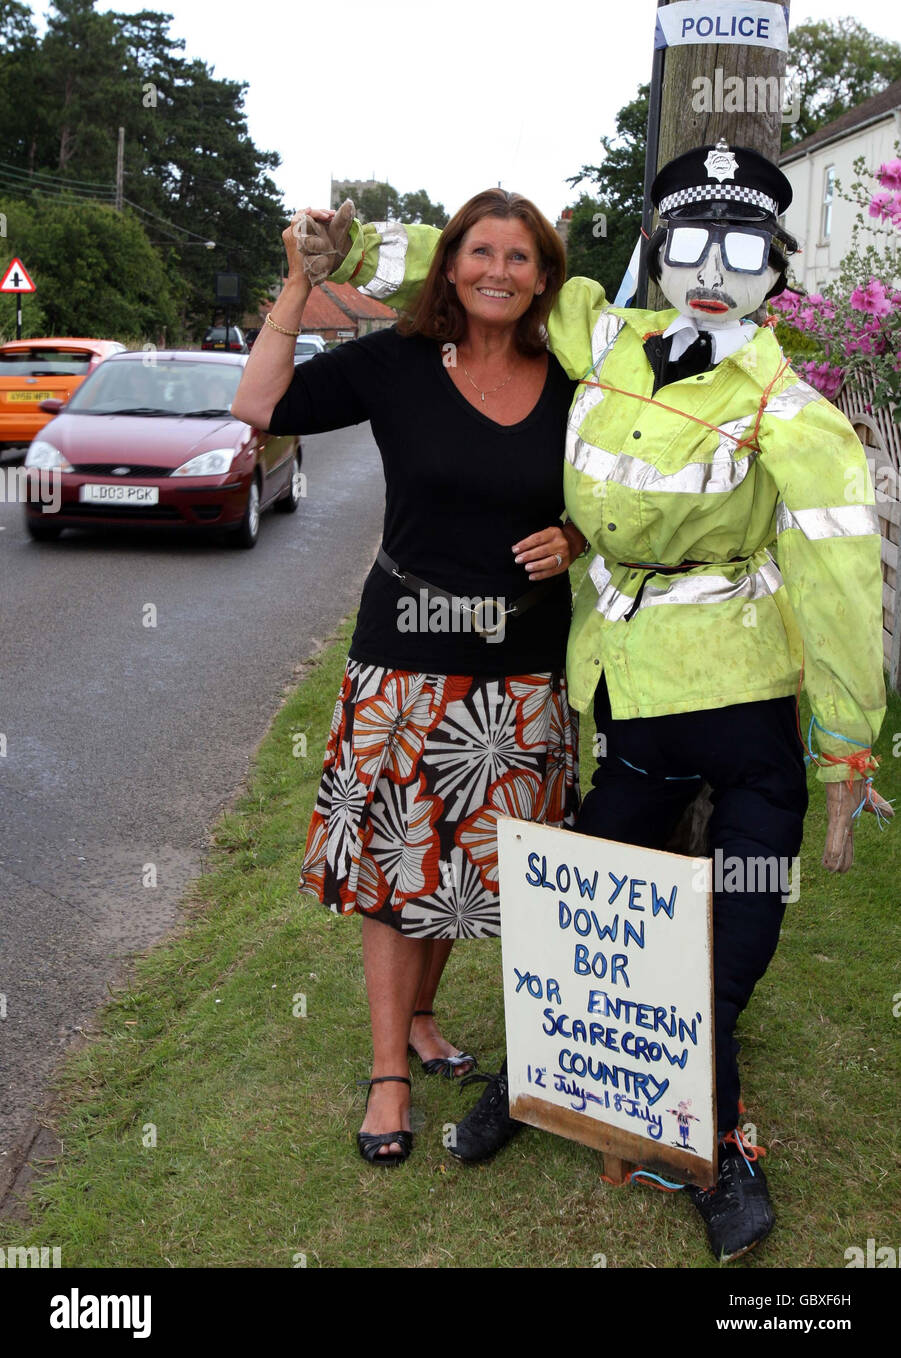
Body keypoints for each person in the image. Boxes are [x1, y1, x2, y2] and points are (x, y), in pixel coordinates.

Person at [300, 142, 890, 1252]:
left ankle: (713, 1148)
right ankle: (535, 1079)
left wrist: (847, 748)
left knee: (733, 931)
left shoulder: (792, 410)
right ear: (655, 253)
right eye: (689, 244)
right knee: (579, 913)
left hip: (746, 714)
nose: (712, 270)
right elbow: (486, 269)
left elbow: (844, 576)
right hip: (620, 700)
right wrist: (358, 243)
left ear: (777, 269)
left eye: (742, 250)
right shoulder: (605, 338)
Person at [231, 189, 586, 1166]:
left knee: (471, 868)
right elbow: (260, 406)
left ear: (543, 276)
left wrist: (579, 532)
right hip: (408, 658)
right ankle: (390, 1070)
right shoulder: (394, 363)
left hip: (519, 665)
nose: (498, 272)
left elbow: (609, 489)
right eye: (481, 252)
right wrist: (298, 287)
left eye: (520, 258)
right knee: (397, 868)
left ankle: (426, 1016)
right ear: (450, 264)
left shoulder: (570, 378)